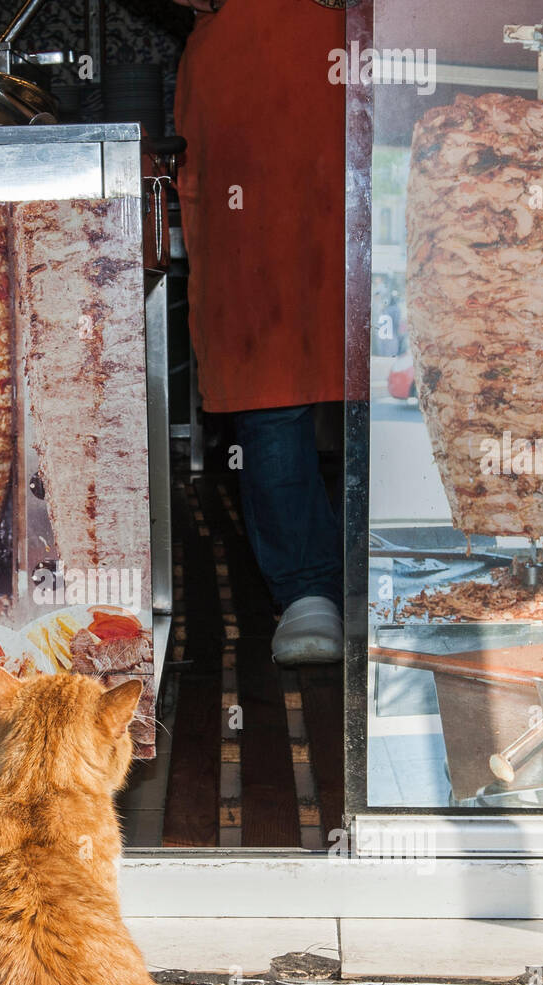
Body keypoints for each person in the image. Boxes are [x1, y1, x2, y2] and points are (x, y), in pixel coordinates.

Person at [172, 0, 347, 664]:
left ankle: (387, 570)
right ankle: (309, 590)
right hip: (248, 73)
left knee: (382, 325)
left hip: (359, 63)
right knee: (265, 340)